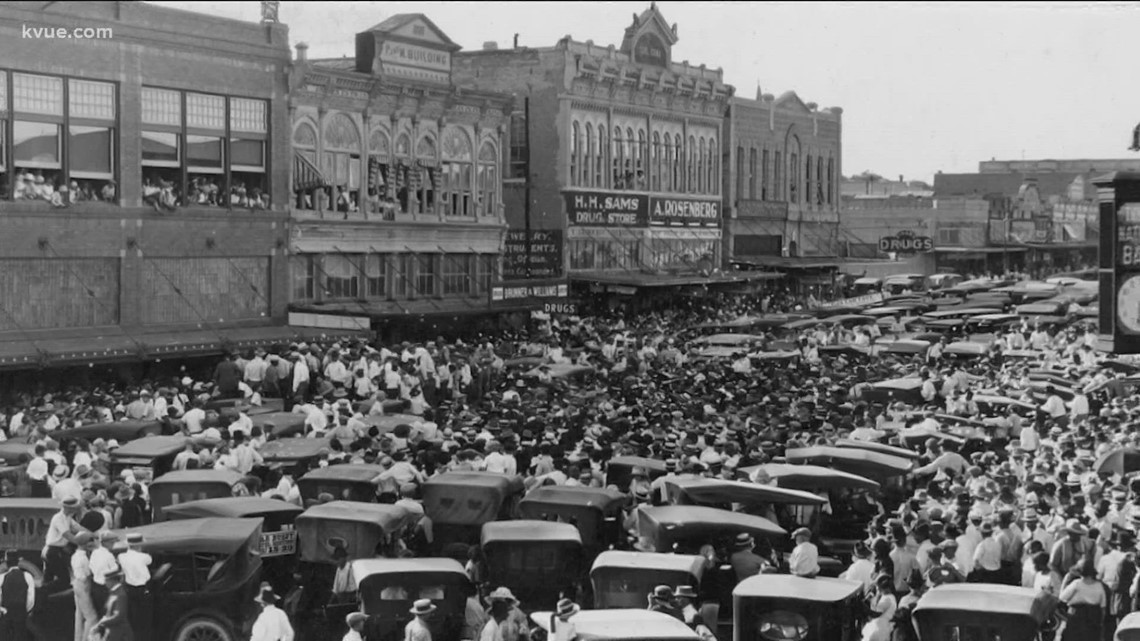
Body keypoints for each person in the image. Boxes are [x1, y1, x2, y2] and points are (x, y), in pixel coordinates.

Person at [1059, 559, 1106, 641]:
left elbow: (1062, 597)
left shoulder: (1077, 584)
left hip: (1076, 616)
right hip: (1093, 618)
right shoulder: (1099, 586)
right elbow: (1103, 607)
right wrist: (1101, 622)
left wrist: (1065, 582)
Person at [43, 495, 83, 586]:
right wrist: (82, 542)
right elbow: (67, 535)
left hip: (56, 550)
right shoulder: (58, 518)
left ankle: (44, 594)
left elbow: (78, 528)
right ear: (67, 508)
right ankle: (42, 591)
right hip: (53, 550)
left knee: (48, 577)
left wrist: (91, 534)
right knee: (64, 579)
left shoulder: (68, 518)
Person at [0, 550, 36, 641]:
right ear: (18, 562)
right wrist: (24, 610)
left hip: (6, 614)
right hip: (21, 614)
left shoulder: (2, 577)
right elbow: (31, 599)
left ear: (6, 563)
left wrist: (3, 610)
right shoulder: (27, 576)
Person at [72, 532, 99, 641]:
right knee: (91, 618)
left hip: (76, 584)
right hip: (83, 585)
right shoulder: (84, 558)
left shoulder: (75, 555)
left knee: (79, 616)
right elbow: (89, 573)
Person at [860, 573, 896, 641]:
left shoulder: (887, 599)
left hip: (880, 627)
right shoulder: (887, 597)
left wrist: (863, 605)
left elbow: (875, 614)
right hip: (880, 625)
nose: (877, 589)